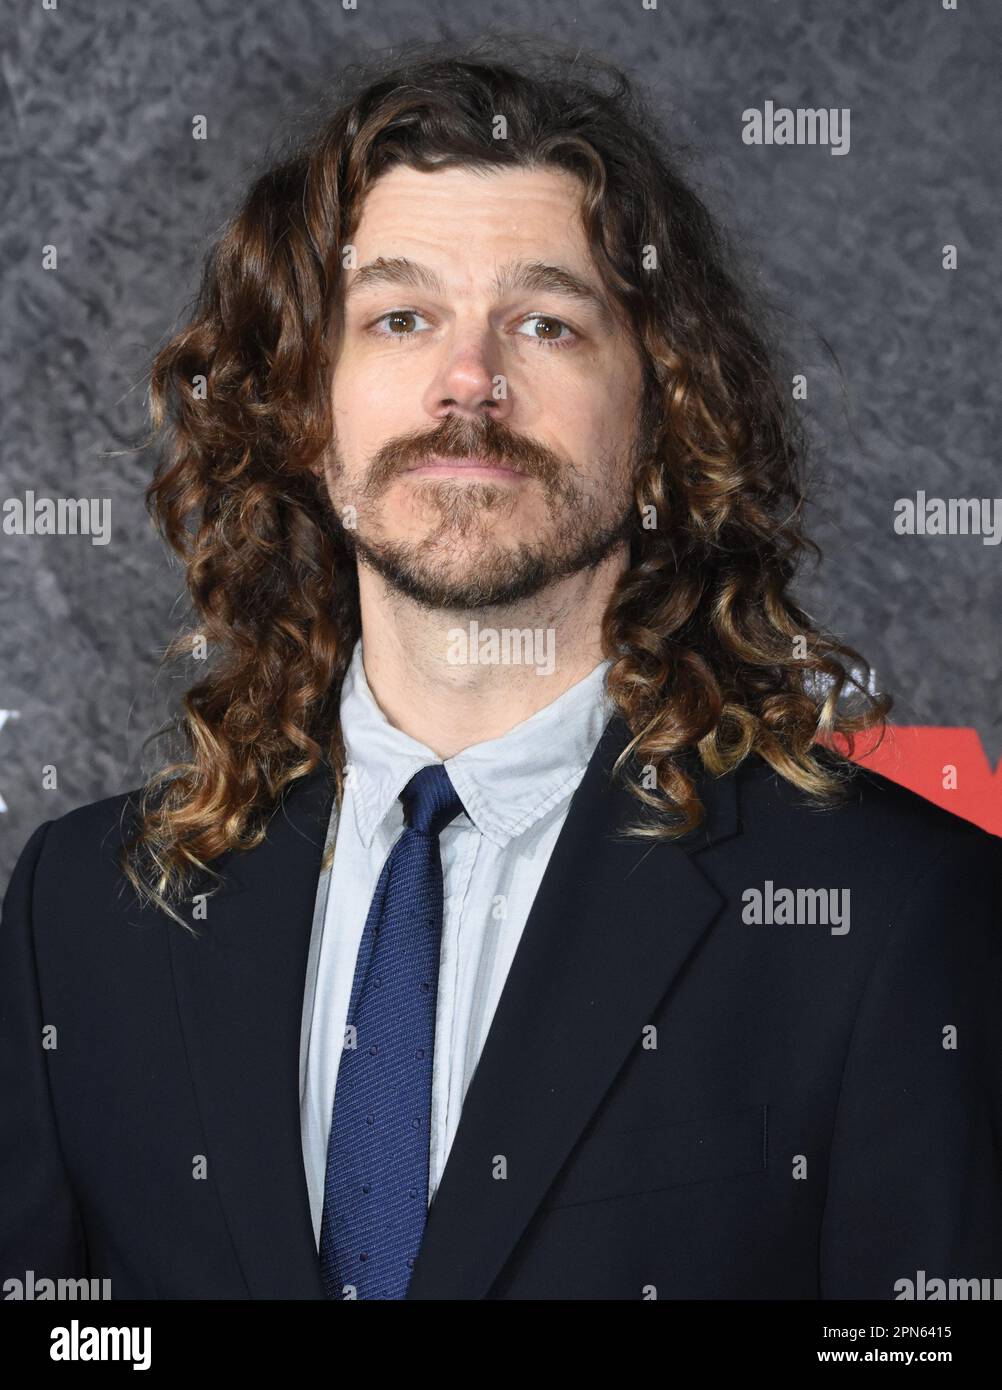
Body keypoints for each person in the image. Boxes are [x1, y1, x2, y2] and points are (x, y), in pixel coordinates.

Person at [2, 37, 1000, 1302]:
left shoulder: (893, 913)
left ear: (662, 417)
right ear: (306, 411)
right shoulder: (83, 914)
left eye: (545, 322)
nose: (469, 381)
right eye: (399, 317)